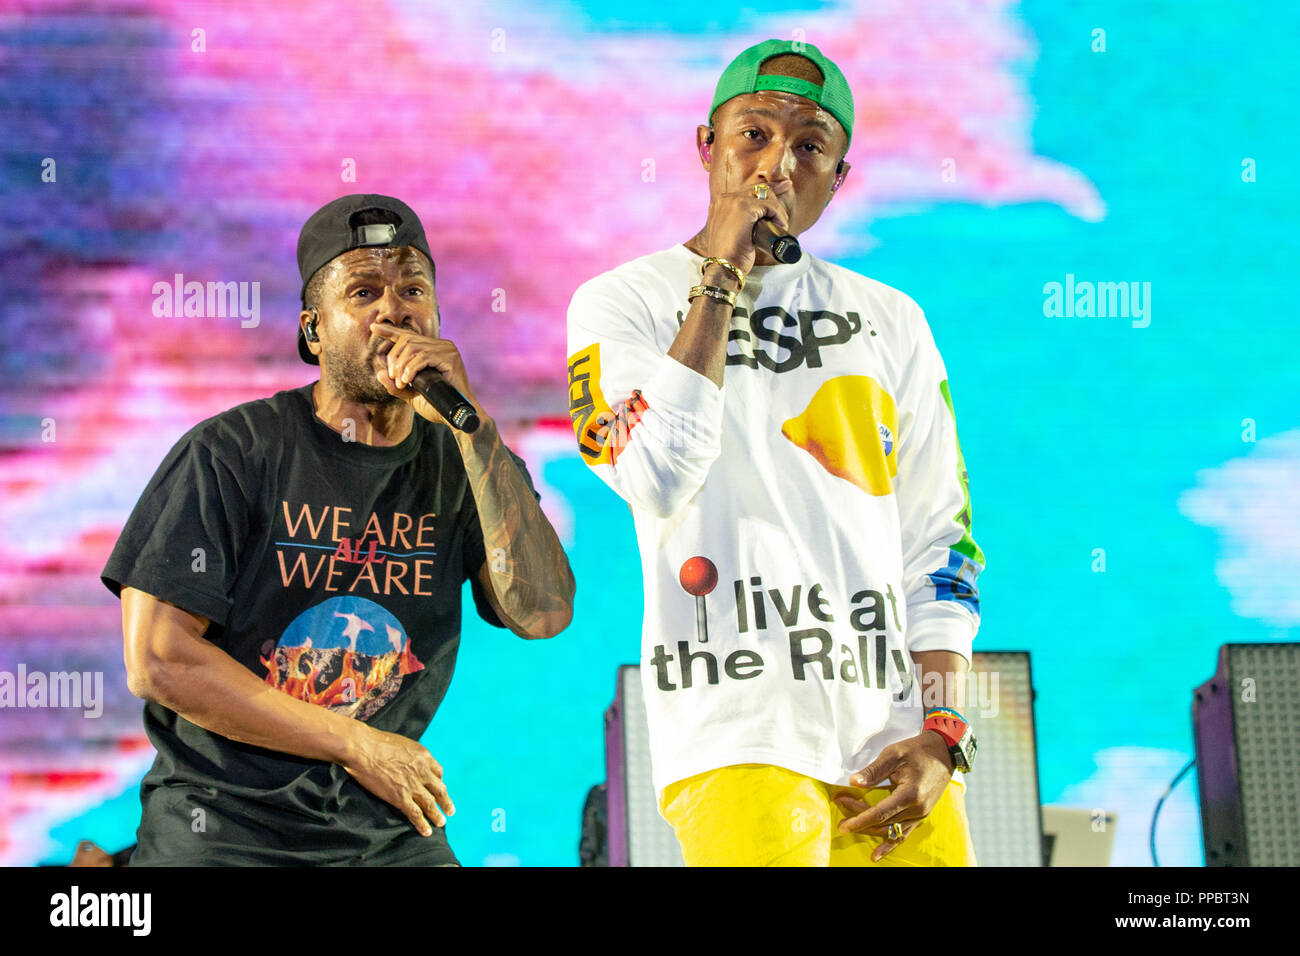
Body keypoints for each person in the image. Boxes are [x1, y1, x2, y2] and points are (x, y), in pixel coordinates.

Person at [566, 40, 985, 866]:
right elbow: (651, 474)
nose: (775, 165)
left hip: (894, 741)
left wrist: (944, 732)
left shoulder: (891, 319)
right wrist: (720, 275)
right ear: (705, 145)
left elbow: (942, 542)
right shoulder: (622, 302)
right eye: (752, 134)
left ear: (839, 177)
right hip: (735, 730)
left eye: (808, 146)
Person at [104, 194, 575, 866]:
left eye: (414, 288)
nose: (394, 309)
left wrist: (477, 433)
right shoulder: (232, 453)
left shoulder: (469, 463)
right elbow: (159, 660)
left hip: (383, 832)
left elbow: (544, 612)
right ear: (313, 331)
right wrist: (356, 743)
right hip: (227, 828)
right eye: (363, 291)